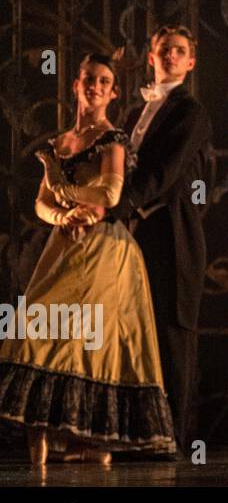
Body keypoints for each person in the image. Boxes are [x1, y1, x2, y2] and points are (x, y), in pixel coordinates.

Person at [0, 54, 176, 467]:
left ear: (113, 92)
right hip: (65, 244)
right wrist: (62, 214)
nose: (94, 86)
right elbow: (40, 203)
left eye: (103, 81)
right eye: (88, 79)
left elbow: (111, 195)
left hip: (104, 249)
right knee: (40, 330)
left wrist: (68, 195)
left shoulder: (112, 138)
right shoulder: (60, 142)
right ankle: (44, 435)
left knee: (93, 343)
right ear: (76, 86)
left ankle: (95, 441)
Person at [110, 24, 211, 454]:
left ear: (190, 61)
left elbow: (164, 174)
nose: (171, 56)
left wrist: (114, 205)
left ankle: (170, 436)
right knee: (130, 332)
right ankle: (133, 430)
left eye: (179, 50)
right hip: (133, 232)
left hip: (171, 235)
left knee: (171, 332)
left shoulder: (190, 113)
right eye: (164, 49)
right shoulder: (133, 114)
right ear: (151, 57)